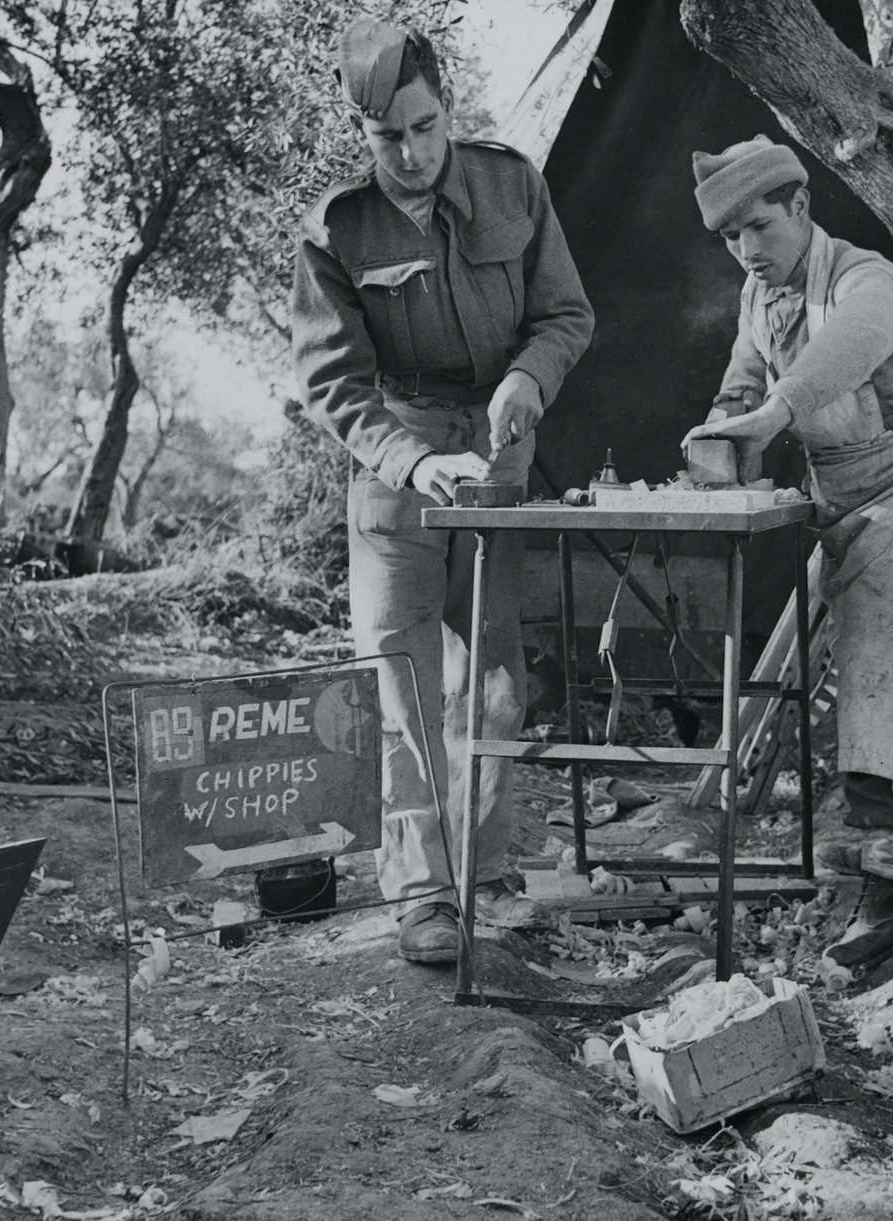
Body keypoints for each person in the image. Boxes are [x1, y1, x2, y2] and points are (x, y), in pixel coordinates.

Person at [291, 19, 594, 963]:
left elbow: (565, 314)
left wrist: (528, 381)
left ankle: (490, 875)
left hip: (500, 439)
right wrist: (412, 461)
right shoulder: (337, 228)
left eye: (425, 128)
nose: (413, 154)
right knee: (402, 677)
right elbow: (332, 383)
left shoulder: (513, 183)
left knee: (496, 680)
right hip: (401, 449)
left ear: (447, 109)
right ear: (363, 136)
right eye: (390, 140)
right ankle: (423, 893)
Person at [681, 136, 893, 974]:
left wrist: (776, 410)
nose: (748, 251)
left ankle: (889, 886)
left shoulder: (862, 277)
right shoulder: (756, 296)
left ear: (801, 208)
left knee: (879, 655)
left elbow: (852, 344)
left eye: (760, 228)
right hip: (837, 496)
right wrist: (719, 433)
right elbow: (742, 381)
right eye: (731, 238)